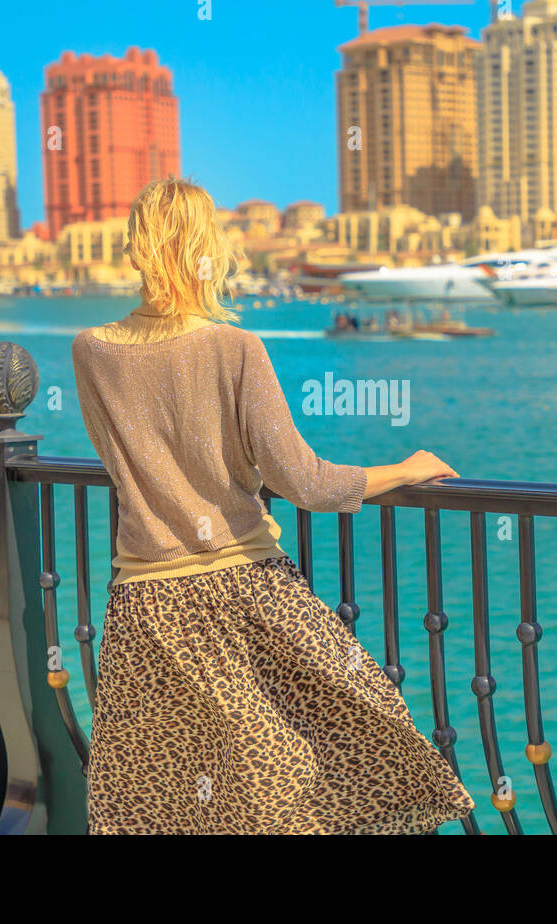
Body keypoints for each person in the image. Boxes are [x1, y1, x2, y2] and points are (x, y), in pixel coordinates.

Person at [70, 177, 476, 834]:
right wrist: (406, 469)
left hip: (143, 607)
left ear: (137, 248)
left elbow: (126, 458)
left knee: (165, 806)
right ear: (208, 250)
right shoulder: (234, 348)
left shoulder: (91, 350)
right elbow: (307, 483)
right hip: (241, 594)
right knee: (346, 750)